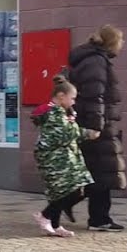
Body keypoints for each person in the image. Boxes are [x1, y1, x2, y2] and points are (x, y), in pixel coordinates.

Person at [67, 25, 127, 232]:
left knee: (96, 173)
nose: (123, 44)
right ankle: (98, 218)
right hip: (97, 126)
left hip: (93, 123)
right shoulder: (97, 61)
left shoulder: (93, 59)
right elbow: (95, 95)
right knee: (101, 173)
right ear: (112, 42)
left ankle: (97, 217)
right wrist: (96, 126)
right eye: (121, 40)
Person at [30, 76, 97, 238]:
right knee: (70, 191)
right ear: (61, 96)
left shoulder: (61, 112)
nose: (74, 102)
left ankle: (55, 224)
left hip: (65, 158)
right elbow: (65, 133)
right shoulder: (54, 113)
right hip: (56, 160)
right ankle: (45, 216)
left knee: (63, 192)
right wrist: (87, 133)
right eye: (72, 98)